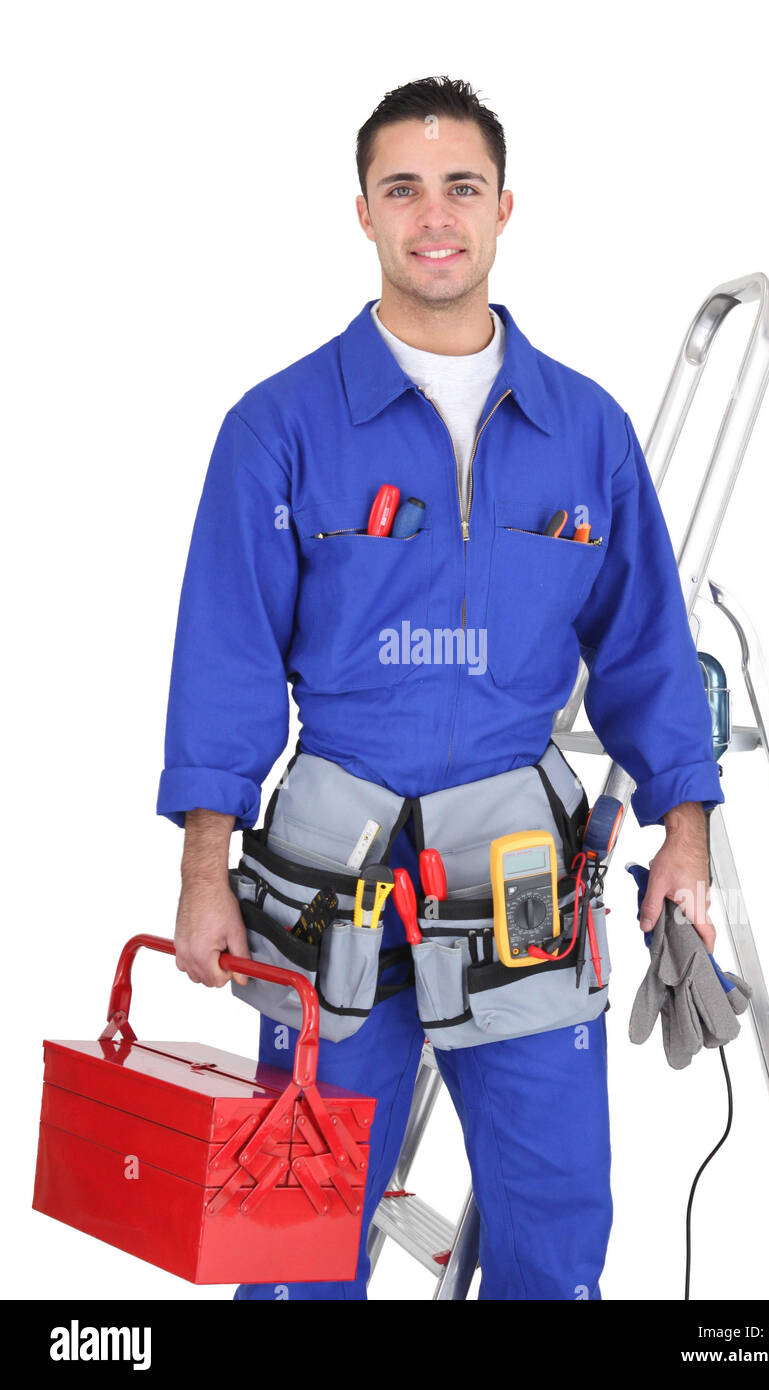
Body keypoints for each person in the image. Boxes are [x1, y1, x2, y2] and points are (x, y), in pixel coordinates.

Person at [157, 76, 723, 1301]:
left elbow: (647, 651)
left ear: (503, 207)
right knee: (297, 1222)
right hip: (327, 890)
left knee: (555, 1217)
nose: (433, 215)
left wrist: (688, 834)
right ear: (361, 210)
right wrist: (206, 872)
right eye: (402, 188)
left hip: (519, 883)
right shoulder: (280, 427)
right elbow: (227, 659)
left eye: (460, 187)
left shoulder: (585, 431)